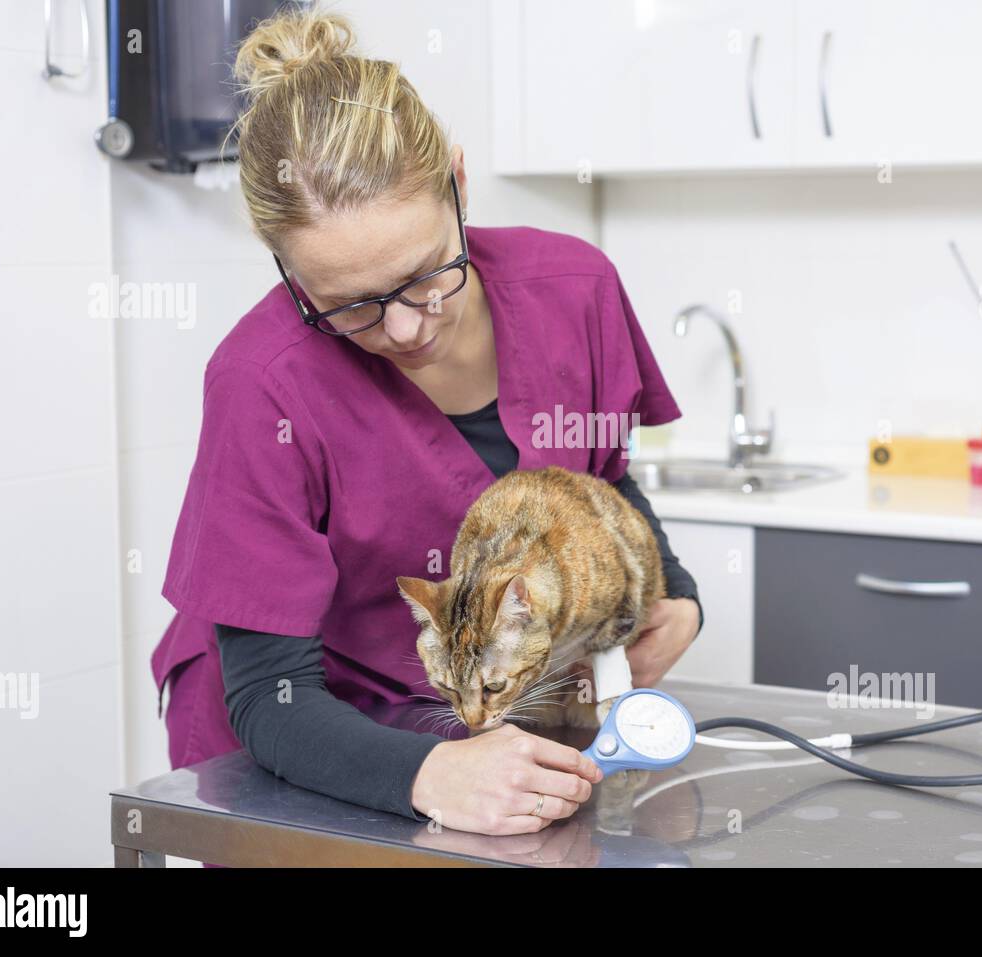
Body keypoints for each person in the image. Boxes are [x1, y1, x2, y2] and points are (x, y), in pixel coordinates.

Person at [151, 8, 702, 838]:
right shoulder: (261, 382)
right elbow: (270, 693)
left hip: (479, 726)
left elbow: (601, 478)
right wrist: (429, 772)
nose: (407, 328)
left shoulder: (575, 287)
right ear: (284, 267)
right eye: (348, 307)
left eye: (424, 276)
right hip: (306, 749)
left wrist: (680, 593)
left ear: (459, 181)